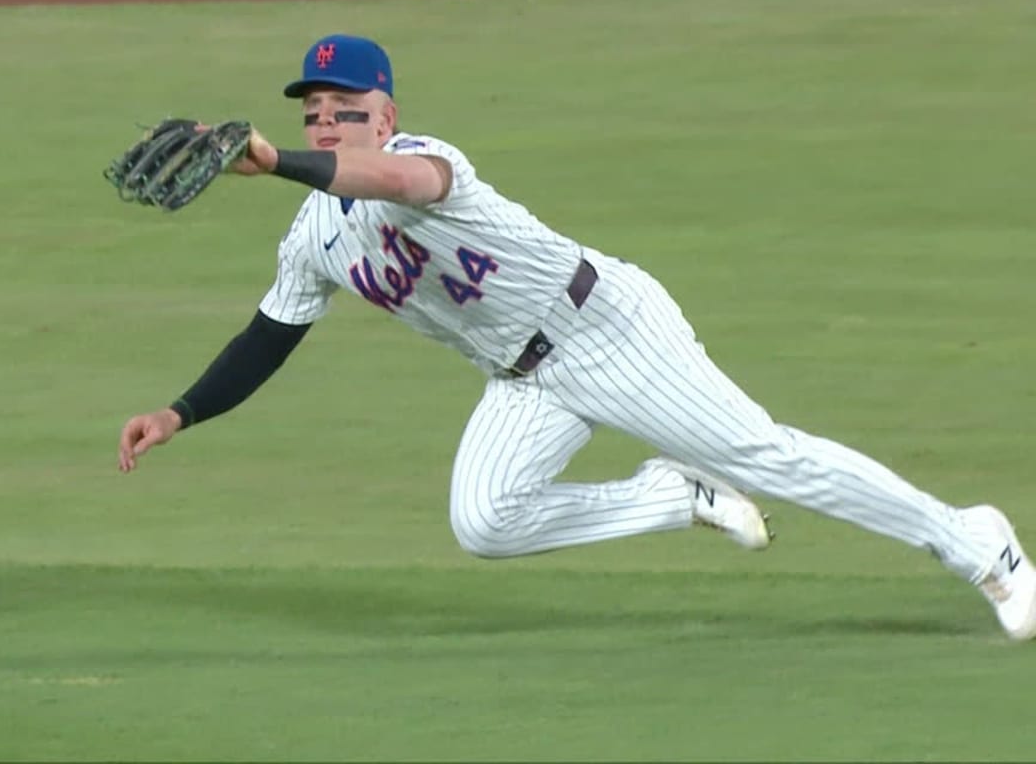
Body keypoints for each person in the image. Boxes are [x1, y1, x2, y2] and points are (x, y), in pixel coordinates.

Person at [115, 33, 1035, 641]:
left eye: (346, 108)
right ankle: (675, 495)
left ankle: (975, 543)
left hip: (606, 330)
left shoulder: (431, 160)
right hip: (524, 378)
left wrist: (278, 160)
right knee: (486, 520)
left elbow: (397, 187)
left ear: (386, 115)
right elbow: (271, 334)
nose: (328, 120)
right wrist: (180, 411)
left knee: (767, 454)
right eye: (313, 111)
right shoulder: (311, 239)